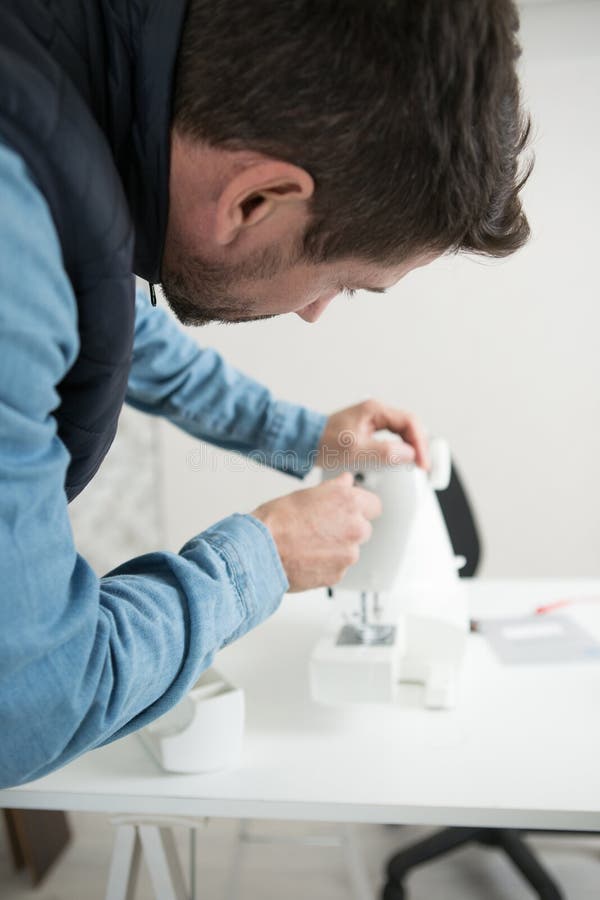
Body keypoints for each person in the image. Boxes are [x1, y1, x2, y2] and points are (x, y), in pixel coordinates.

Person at [0, 0, 531, 787]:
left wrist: (311, 439)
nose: (316, 312)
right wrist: (263, 559)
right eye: (344, 282)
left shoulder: (71, 102)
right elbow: (30, 703)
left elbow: (114, 331)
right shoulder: (17, 237)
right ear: (255, 200)